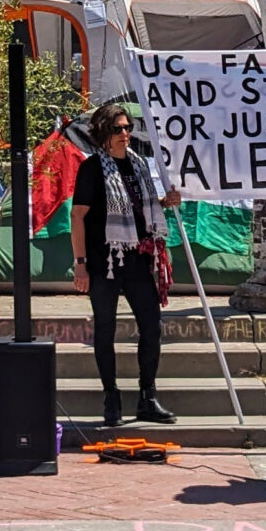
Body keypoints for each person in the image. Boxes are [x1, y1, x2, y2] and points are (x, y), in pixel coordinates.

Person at [70, 101, 182, 428]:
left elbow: (139, 209)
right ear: (104, 133)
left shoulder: (138, 166)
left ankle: (148, 396)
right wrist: (80, 264)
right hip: (104, 260)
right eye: (118, 129)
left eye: (128, 128)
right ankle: (111, 397)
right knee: (104, 329)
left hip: (137, 257)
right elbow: (78, 216)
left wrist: (164, 203)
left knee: (152, 325)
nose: (125, 134)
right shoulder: (92, 169)